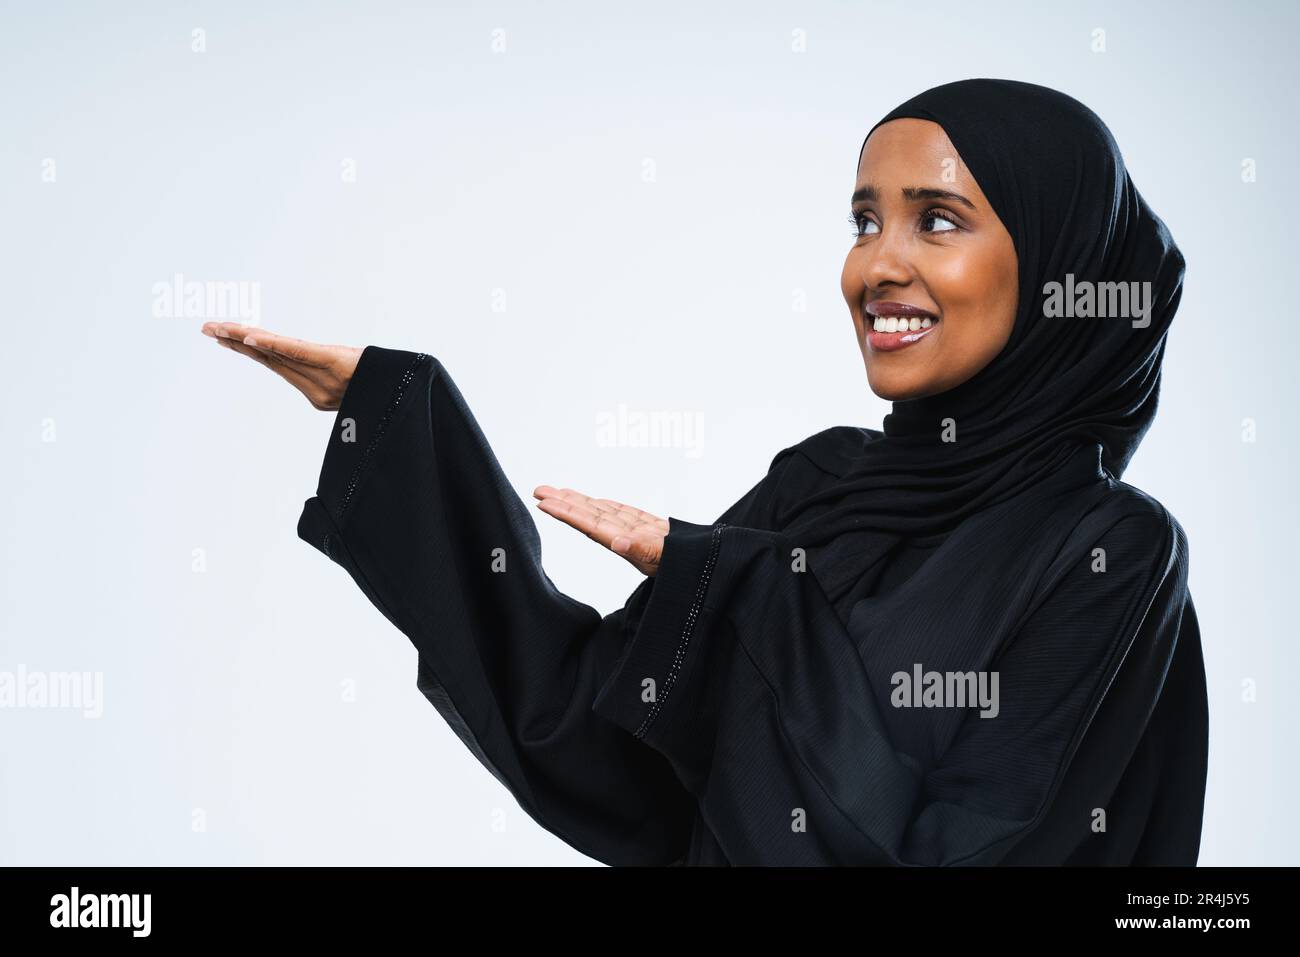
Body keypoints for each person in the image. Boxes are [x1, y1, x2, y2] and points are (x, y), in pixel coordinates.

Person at [201, 78, 1208, 866]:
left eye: (935, 221)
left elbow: (966, 851)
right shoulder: (822, 483)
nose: (875, 267)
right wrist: (405, 421)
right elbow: (599, 759)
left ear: (1056, 264)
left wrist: (744, 592)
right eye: (864, 221)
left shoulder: (1107, 549)